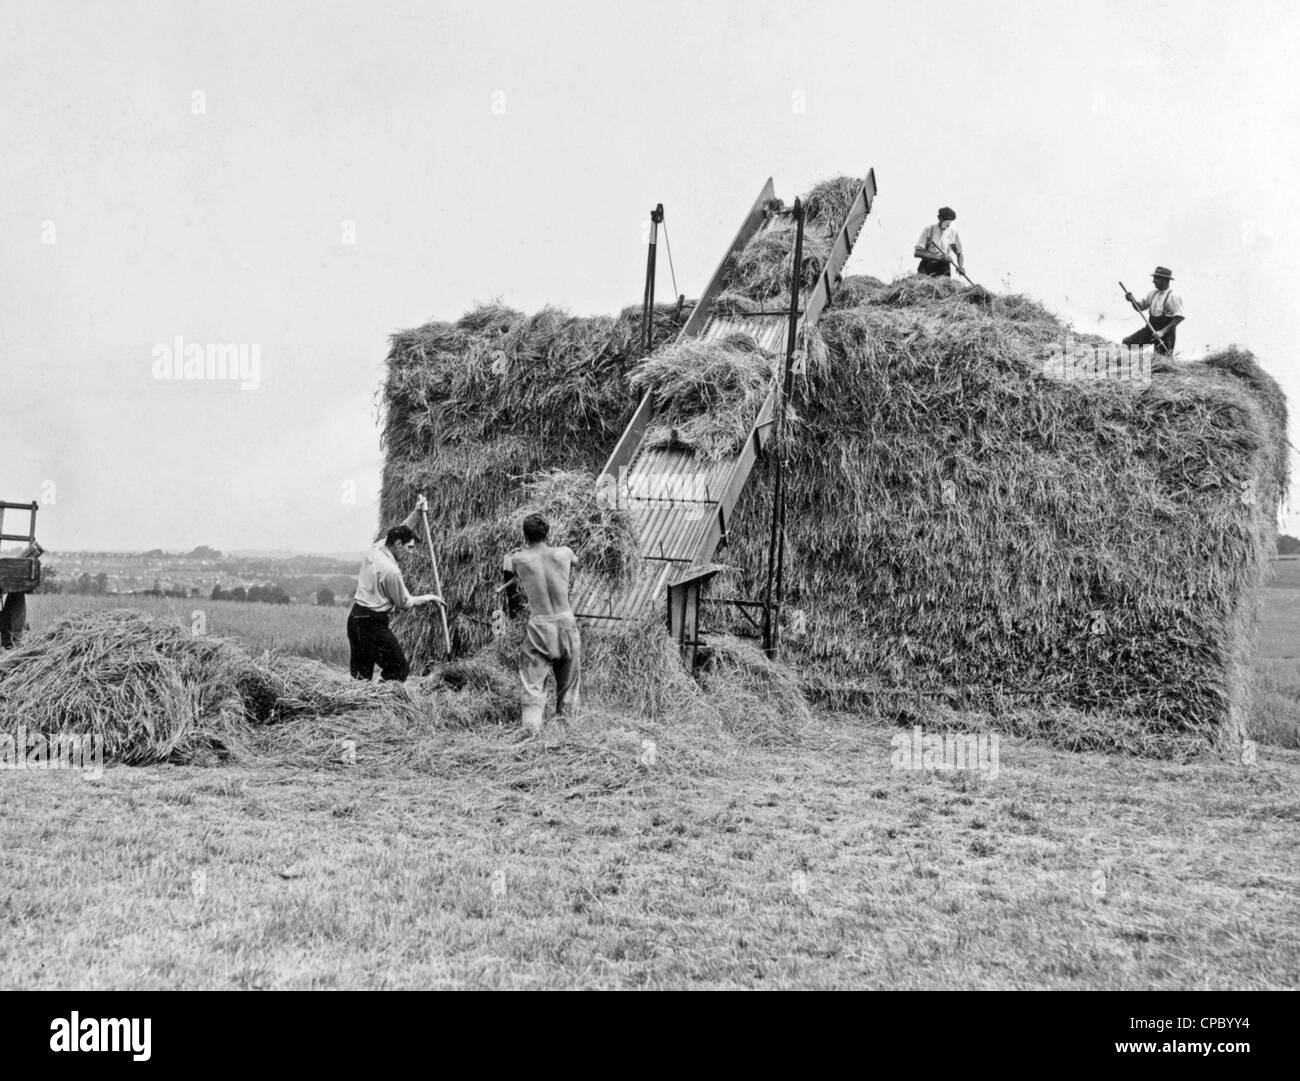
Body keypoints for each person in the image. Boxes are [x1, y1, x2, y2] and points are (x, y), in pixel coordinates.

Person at [347, 494, 443, 682]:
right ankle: (385, 706)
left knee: (360, 678)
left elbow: (401, 529)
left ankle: (365, 708)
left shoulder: (378, 547)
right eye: (410, 548)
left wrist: (416, 512)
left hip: (355, 620)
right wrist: (430, 597)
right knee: (399, 669)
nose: (411, 553)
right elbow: (405, 603)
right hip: (372, 624)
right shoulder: (391, 571)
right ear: (398, 545)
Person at [500, 513, 580, 737]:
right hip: (566, 622)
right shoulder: (564, 552)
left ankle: (531, 734)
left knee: (533, 684)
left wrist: (516, 552)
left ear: (524, 535)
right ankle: (567, 736)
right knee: (568, 686)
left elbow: (506, 568)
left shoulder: (518, 559)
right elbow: (577, 561)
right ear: (548, 532)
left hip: (541, 624)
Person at [1123, 266, 1184, 354]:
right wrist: (1132, 300)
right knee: (1128, 343)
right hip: (1150, 330)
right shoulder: (1152, 294)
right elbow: (1139, 307)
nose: (1153, 281)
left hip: (1166, 335)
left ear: (1164, 280)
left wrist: (1162, 332)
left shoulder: (1173, 296)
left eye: (1156, 278)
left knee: (1161, 362)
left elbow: (1179, 317)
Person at [914, 207, 964, 277]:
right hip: (927, 267)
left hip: (943, 269)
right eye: (946, 221)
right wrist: (939, 257)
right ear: (939, 218)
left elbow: (959, 253)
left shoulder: (952, 233)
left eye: (950, 222)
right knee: (923, 286)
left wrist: (960, 266)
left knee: (945, 287)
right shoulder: (929, 230)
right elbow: (918, 253)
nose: (948, 224)